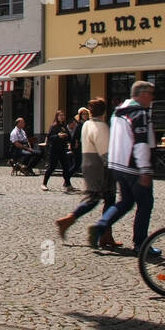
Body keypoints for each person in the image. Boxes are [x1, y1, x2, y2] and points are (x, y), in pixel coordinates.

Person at [90, 81, 157, 256]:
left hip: (117, 165)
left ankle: (100, 226)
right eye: (150, 93)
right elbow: (141, 141)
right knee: (145, 204)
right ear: (141, 94)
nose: (152, 97)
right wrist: (144, 169)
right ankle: (141, 243)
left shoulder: (118, 111)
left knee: (126, 202)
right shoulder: (139, 113)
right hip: (134, 166)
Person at [54, 99, 114, 244]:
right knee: (102, 199)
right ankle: (69, 220)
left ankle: (106, 235)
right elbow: (104, 152)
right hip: (99, 167)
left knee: (103, 198)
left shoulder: (86, 124)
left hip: (87, 163)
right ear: (104, 111)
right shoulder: (100, 127)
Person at [41, 109, 75, 192]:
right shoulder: (54, 126)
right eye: (60, 115)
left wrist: (68, 138)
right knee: (52, 167)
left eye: (63, 115)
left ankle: (68, 184)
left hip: (62, 150)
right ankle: (44, 183)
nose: (62, 117)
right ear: (57, 117)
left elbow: (69, 137)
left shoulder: (64, 126)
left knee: (65, 167)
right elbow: (49, 137)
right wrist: (58, 136)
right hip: (54, 150)